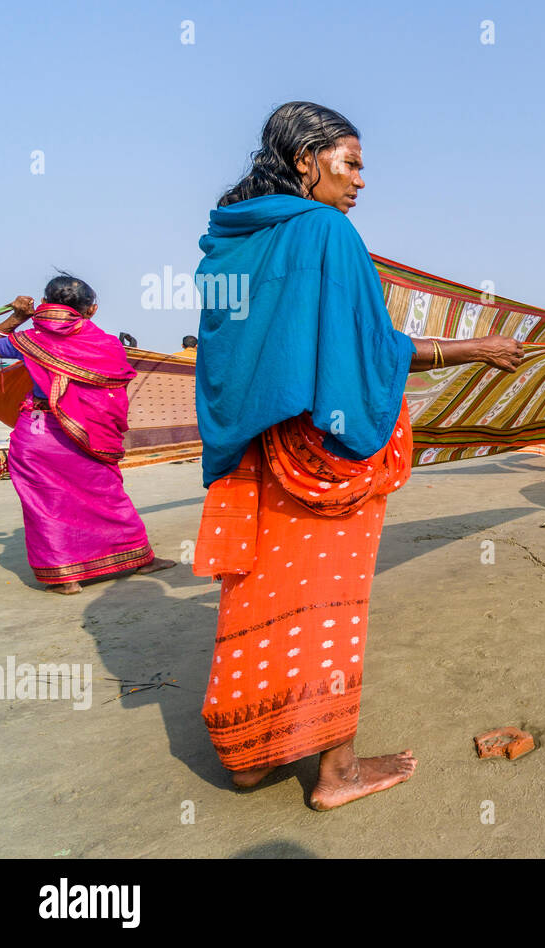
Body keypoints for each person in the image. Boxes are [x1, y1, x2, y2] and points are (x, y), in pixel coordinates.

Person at [192, 101, 524, 809]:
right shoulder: (325, 232)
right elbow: (368, 350)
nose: (361, 182)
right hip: (321, 456)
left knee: (261, 601)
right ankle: (336, 773)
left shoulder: (233, 240)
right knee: (331, 606)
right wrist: (472, 347)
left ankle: (249, 756)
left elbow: (233, 357)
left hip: (258, 458)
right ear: (307, 160)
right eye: (352, 164)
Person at [0, 281, 177, 594]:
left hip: (37, 435)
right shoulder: (106, 345)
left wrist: (17, 317)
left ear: (45, 304)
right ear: (92, 309)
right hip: (87, 434)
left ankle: (66, 579)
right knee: (109, 496)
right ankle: (140, 560)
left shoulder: (29, 339)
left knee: (46, 505)